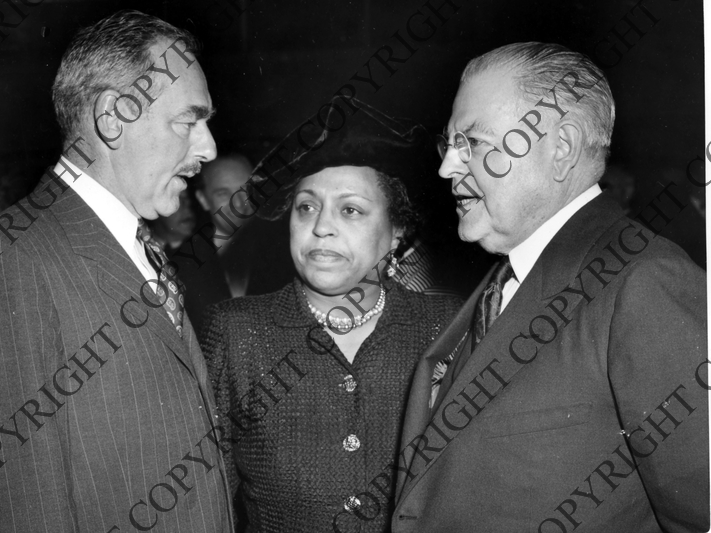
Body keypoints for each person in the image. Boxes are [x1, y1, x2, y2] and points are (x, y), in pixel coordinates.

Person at [393, 42, 708, 532]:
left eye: (470, 143)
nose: (446, 168)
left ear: (559, 148)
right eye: (447, 145)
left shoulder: (645, 282)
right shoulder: (505, 280)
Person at [0, 11, 235, 532]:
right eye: (189, 121)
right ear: (113, 117)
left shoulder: (135, 246)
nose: (207, 147)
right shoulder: (9, 266)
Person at [201, 97, 463, 533]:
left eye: (350, 210)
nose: (321, 226)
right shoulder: (235, 332)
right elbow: (207, 502)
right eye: (306, 207)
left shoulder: (445, 325)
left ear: (397, 231)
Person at [174, 153, 294, 333]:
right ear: (203, 199)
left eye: (246, 191)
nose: (238, 203)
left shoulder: (285, 252)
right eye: (223, 193)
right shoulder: (181, 264)